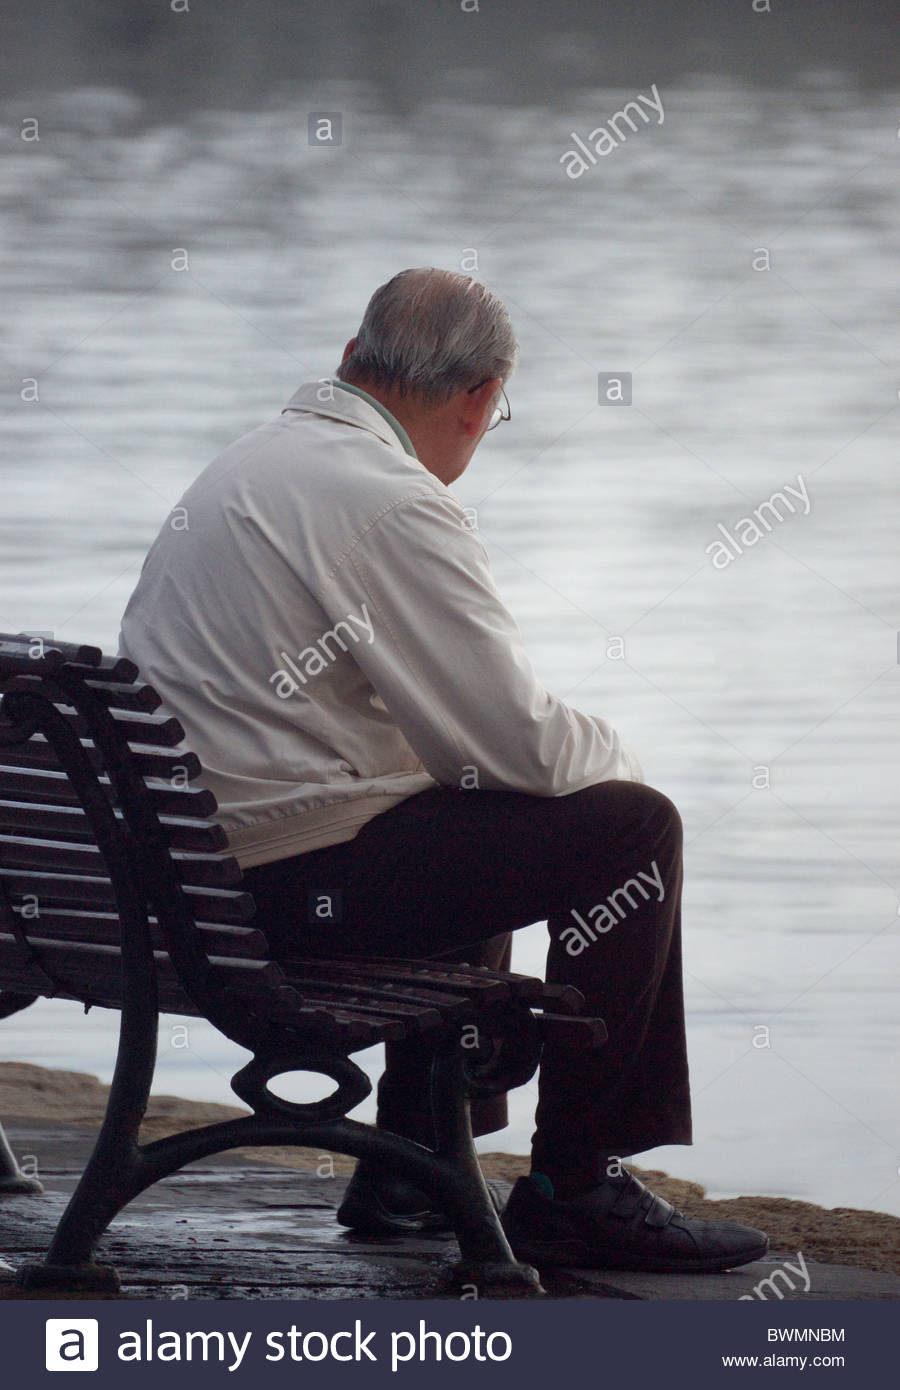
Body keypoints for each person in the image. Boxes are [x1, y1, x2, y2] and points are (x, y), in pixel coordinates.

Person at [118, 267, 768, 1273]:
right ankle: (574, 1187)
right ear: (477, 401)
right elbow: (523, 744)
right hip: (279, 898)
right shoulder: (388, 500)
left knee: (461, 797)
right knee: (629, 828)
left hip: (185, 882)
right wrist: (624, 767)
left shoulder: (249, 464)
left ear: (349, 360)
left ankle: (415, 1160)